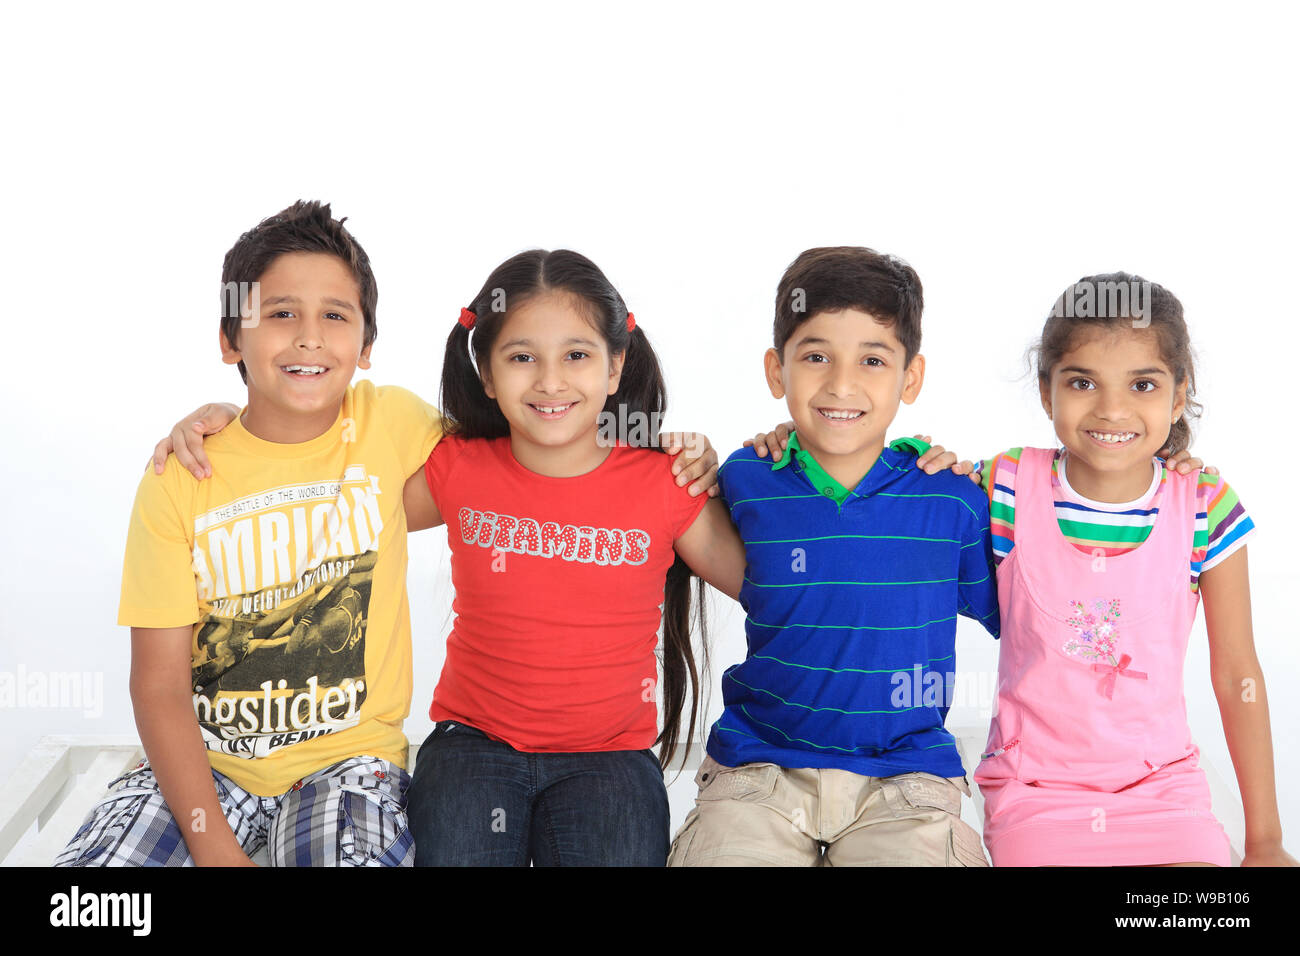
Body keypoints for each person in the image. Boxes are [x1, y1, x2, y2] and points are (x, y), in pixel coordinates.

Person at [55, 201, 443, 866]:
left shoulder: (389, 424)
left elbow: (517, 463)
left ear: (366, 346)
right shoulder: (181, 474)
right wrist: (214, 848)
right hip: (204, 772)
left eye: (335, 315)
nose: (309, 336)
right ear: (232, 338)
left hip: (347, 769)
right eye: (281, 312)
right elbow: (159, 685)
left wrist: (659, 446)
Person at [398, 248, 746, 866]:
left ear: (616, 366)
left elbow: (774, 587)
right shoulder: (457, 468)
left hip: (608, 758)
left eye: (577, 356)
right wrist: (229, 426)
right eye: (522, 357)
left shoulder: (665, 481)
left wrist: (761, 463)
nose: (550, 381)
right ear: (486, 373)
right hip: (472, 746)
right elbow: (340, 505)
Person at [668, 246, 1000, 866]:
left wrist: (1156, 480)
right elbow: (687, 525)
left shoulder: (951, 499)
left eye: (872, 360)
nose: (841, 384)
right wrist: (684, 454)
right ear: (777, 371)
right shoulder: (749, 477)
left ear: (911, 379)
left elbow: (1031, 615)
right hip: (760, 767)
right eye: (815, 356)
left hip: (905, 778)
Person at [971, 273, 1296, 867]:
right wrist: (805, 445)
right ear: (1046, 392)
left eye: (1142, 384)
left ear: (1177, 397)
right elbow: (900, 512)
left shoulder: (1203, 503)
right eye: (1082, 382)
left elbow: (1236, 673)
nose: (1113, 408)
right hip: (1037, 792)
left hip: (1164, 793)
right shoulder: (1008, 485)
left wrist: (1265, 841)